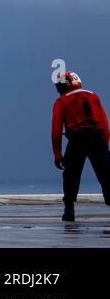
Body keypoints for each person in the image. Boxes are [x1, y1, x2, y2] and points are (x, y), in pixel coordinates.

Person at [51, 70, 110, 222]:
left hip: (77, 137)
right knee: (106, 175)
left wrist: (57, 154)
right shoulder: (93, 95)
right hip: (98, 136)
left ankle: (69, 209)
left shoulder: (62, 101)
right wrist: (105, 146)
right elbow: (105, 123)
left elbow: (56, 130)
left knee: (71, 174)